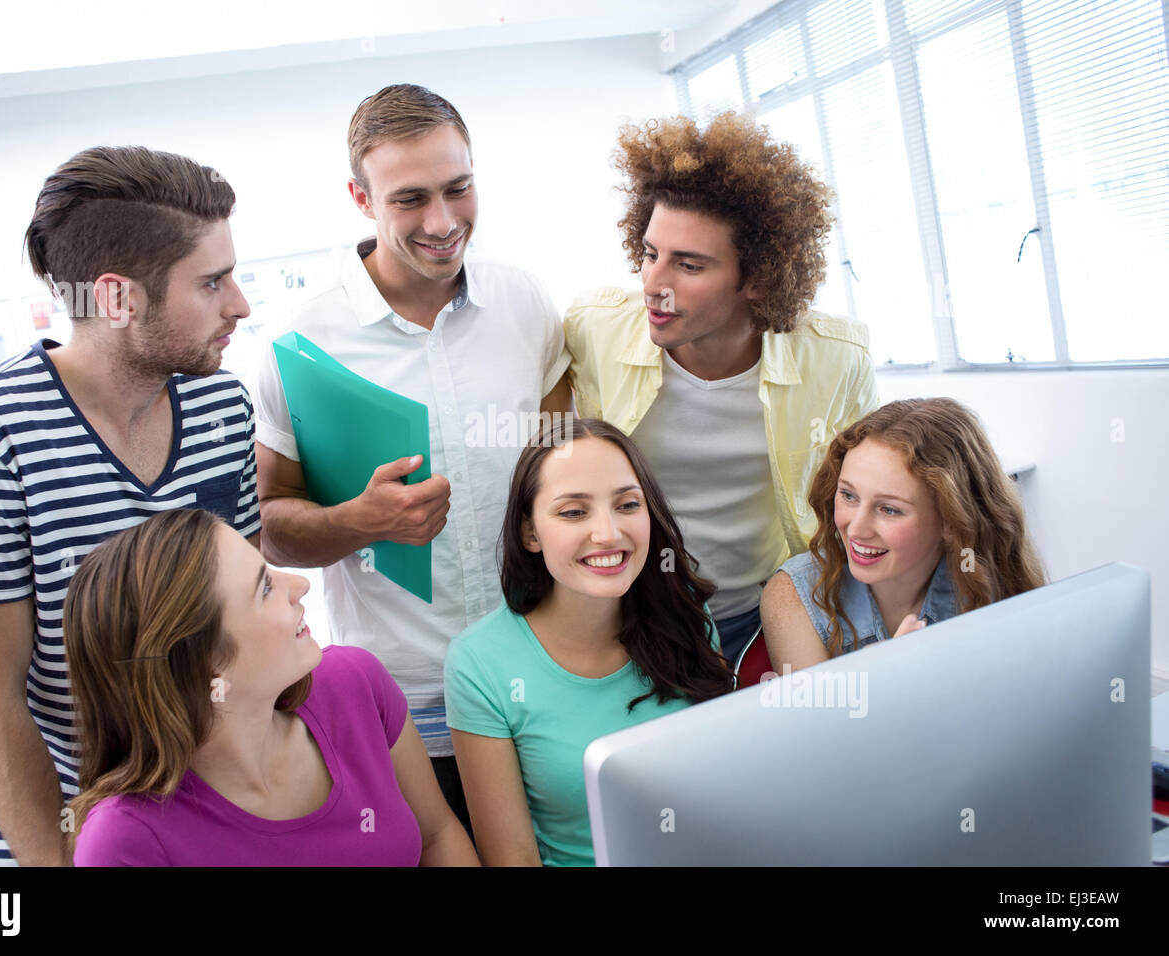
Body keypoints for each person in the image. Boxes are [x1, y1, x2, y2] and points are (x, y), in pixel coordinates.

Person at [0, 145, 259, 866]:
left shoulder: (223, 405)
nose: (239, 305)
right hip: (71, 831)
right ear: (117, 297)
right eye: (211, 283)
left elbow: (245, 626)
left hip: (217, 816)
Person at [253, 84, 571, 832]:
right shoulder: (301, 341)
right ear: (361, 199)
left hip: (542, 669)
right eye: (410, 199)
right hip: (406, 706)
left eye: (458, 189)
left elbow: (561, 467)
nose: (442, 222)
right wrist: (358, 522)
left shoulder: (525, 302)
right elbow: (272, 526)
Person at [562, 112, 879, 666]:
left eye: (689, 265)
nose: (654, 286)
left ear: (757, 278)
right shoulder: (594, 329)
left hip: (773, 611)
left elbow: (865, 500)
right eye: (650, 254)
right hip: (635, 614)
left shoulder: (837, 359)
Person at [65, 508, 478, 866]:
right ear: (204, 665)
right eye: (265, 588)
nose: (300, 586)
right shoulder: (123, 842)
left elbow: (437, 836)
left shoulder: (357, 684)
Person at [444, 417, 733, 866]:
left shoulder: (687, 613)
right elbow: (512, 857)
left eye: (627, 505)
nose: (608, 534)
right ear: (530, 533)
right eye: (574, 512)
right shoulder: (479, 663)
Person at [761, 398, 1047, 670]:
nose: (855, 528)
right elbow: (813, 721)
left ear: (950, 520)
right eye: (848, 495)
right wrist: (878, 679)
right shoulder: (792, 594)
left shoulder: (987, 576)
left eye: (888, 509)